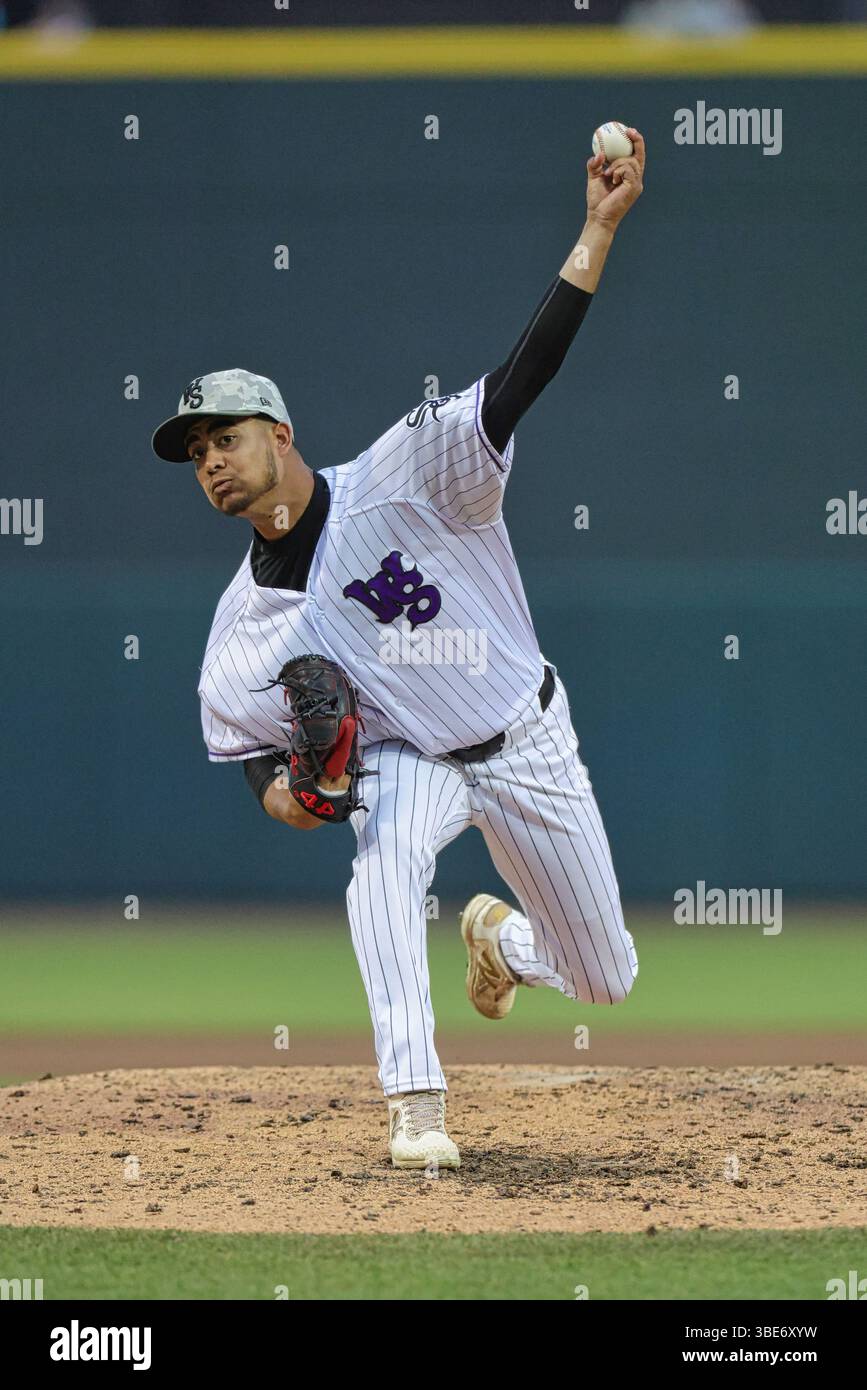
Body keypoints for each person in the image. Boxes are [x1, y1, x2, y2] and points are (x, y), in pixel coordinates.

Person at [151, 130, 646, 1170]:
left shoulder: (404, 472)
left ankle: (500, 942)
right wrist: (309, 794)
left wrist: (596, 229)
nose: (211, 463)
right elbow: (264, 781)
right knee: (376, 866)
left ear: (278, 434)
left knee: (607, 978)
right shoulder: (240, 635)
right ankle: (415, 1108)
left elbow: (518, 381)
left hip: (524, 736)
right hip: (411, 758)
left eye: (225, 438)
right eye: (196, 454)